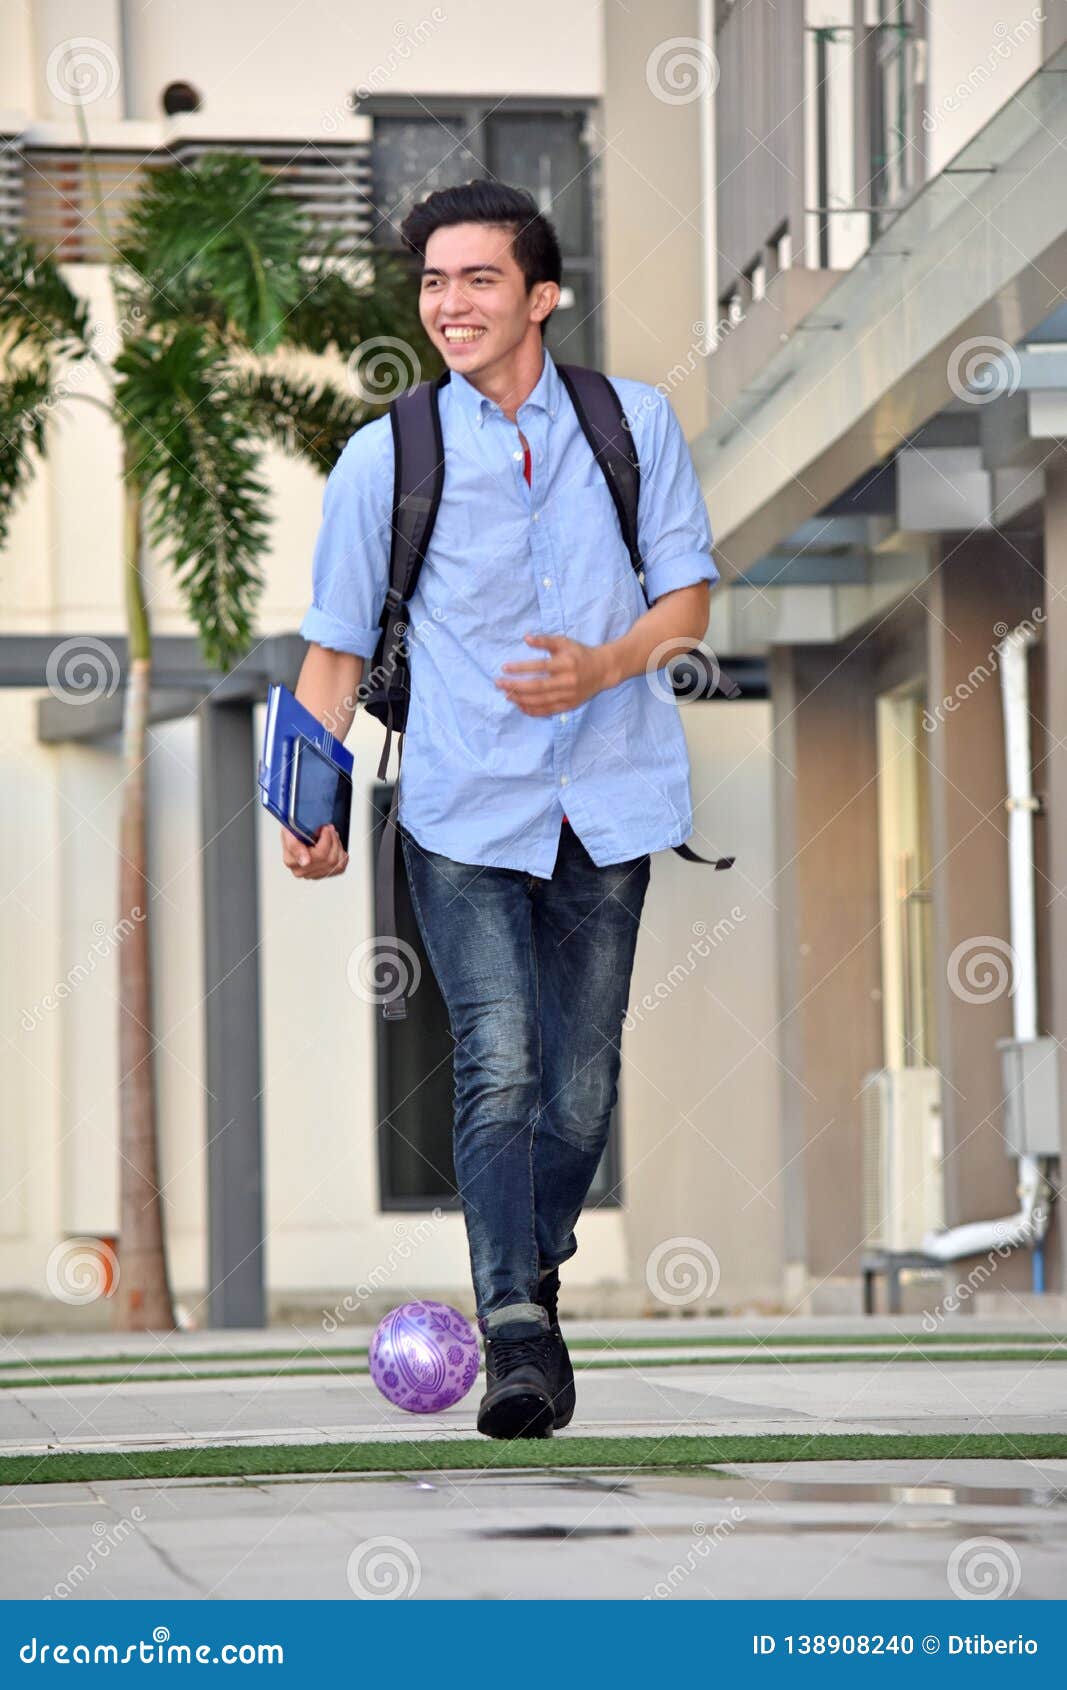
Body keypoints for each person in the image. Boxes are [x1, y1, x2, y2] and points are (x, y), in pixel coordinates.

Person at [284, 180, 718, 1439]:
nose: (449, 304)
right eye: (431, 282)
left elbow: (684, 604)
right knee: (499, 1064)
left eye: (478, 279)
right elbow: (329, 649)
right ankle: (516, 1333)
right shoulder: (388, 456)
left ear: (542, 295)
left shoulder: (630, 422)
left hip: (613, 798)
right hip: (460, 805)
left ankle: (527, 1267)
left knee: (578, 1088)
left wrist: (600, 666)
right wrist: (308, 800)